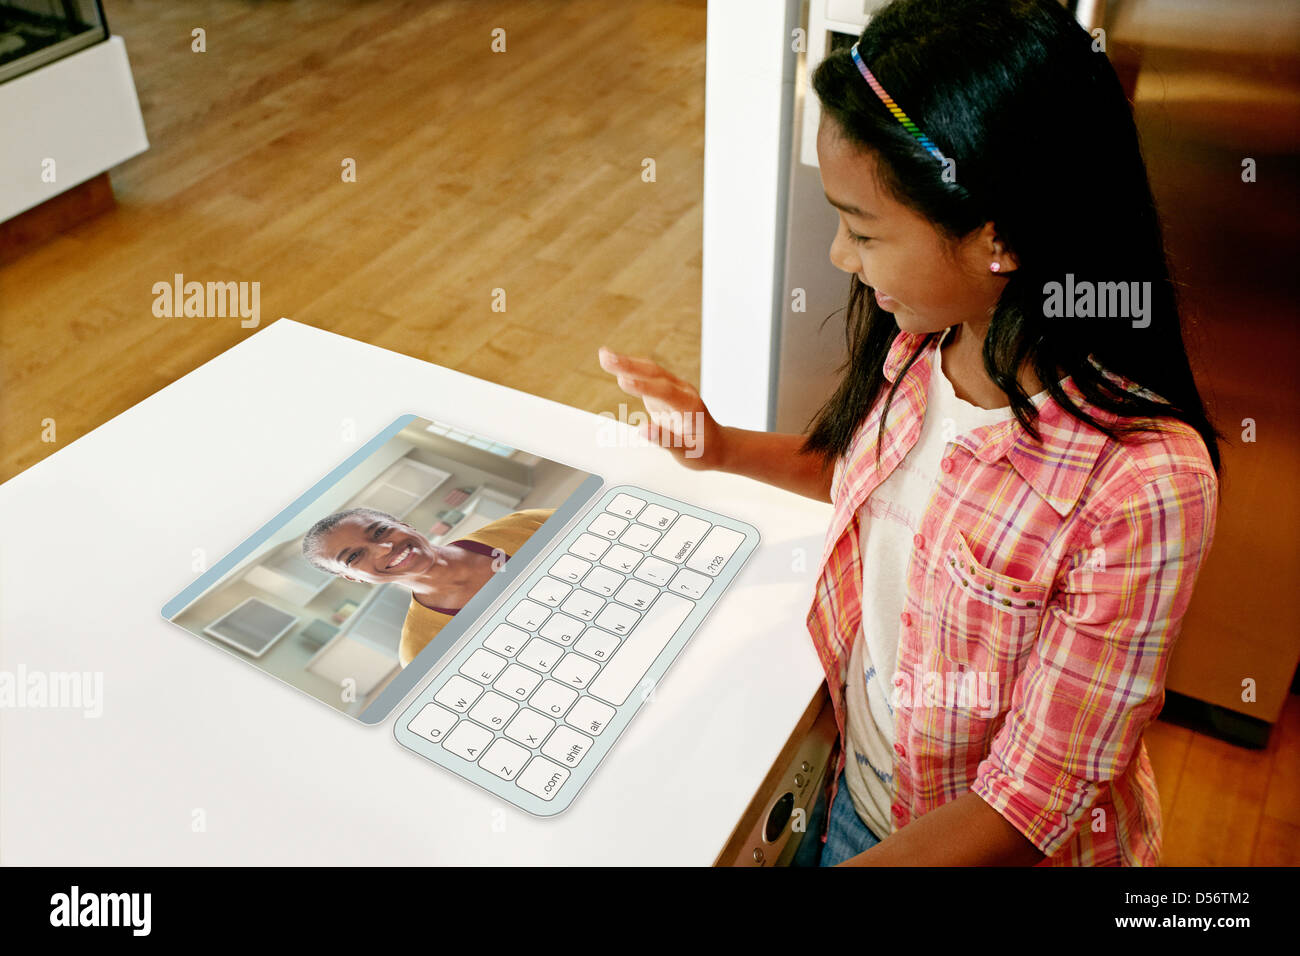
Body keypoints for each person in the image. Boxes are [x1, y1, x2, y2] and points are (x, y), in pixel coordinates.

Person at [597, 0, 1221, 866]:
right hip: (855, 789)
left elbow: (1027, 803)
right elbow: (876, 474)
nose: (840, 259)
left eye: (861, 230)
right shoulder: (929, 340)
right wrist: (724, 448)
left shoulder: (1144, 486)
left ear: (998, 238)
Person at [302, 506, 555, 667]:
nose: (383, 548)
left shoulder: (524, 524)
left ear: (404, 525)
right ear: (354, 577)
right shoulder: (421, 652)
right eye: (354, 557)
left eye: (380, 532)